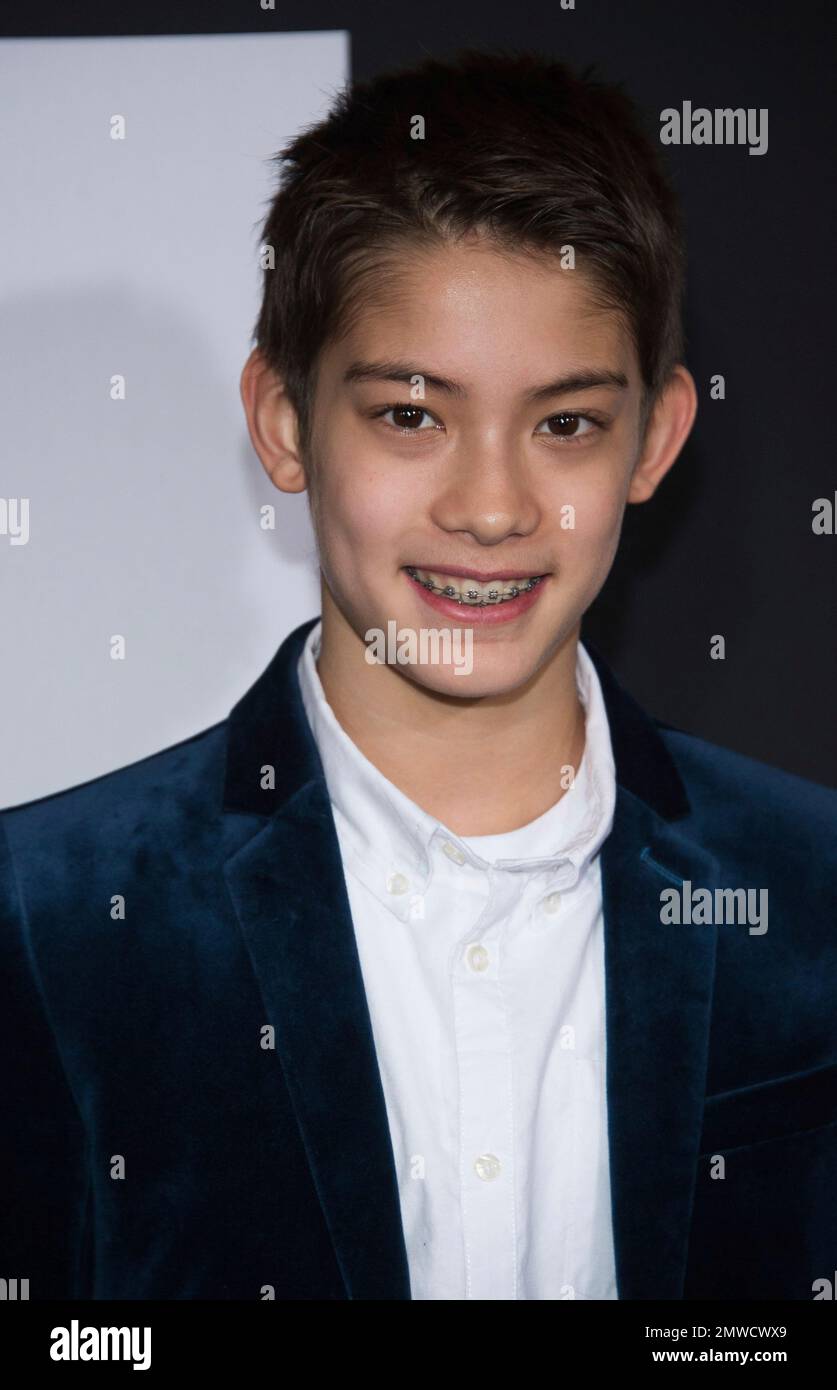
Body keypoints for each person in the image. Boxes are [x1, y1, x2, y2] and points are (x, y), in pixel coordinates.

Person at [2, 48, 836, 1302]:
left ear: (654, 439)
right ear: (285, 420)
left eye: (565, 423)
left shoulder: (815, 889)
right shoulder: (45, 920)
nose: (492, 507)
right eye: (410, 414)